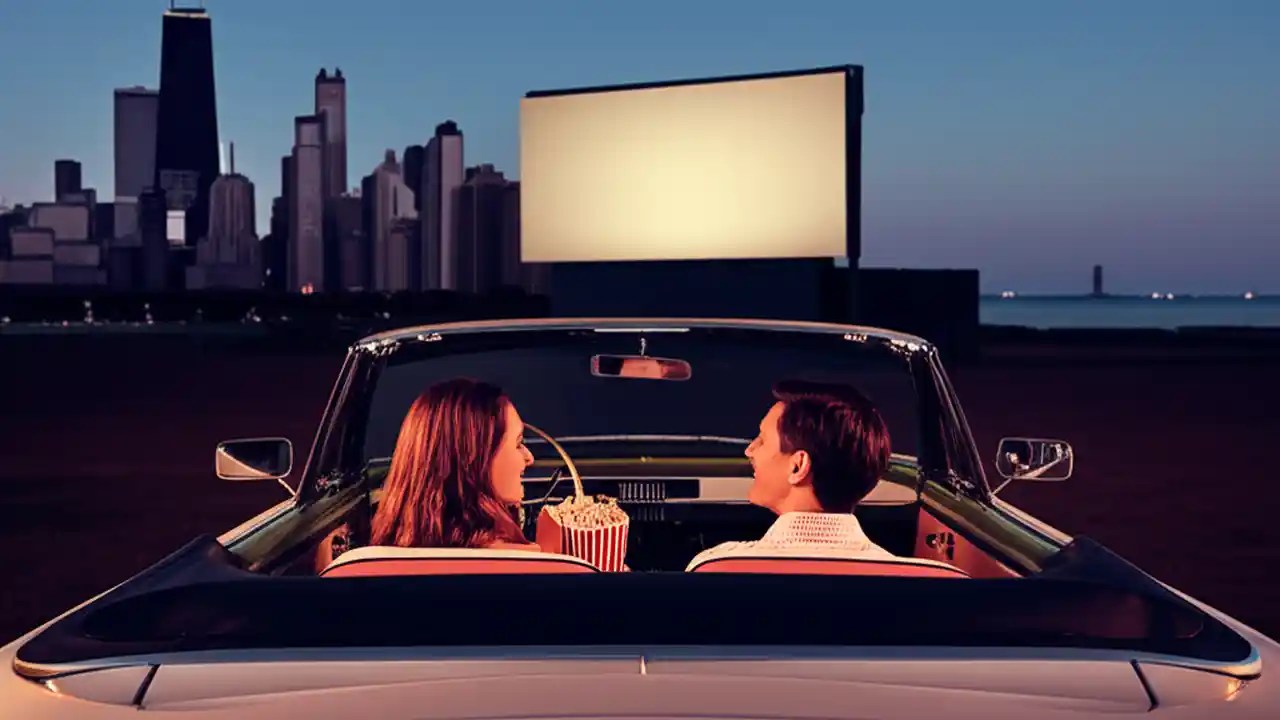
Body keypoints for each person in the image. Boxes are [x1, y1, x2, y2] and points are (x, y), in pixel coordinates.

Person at [687, 379, 893, 569]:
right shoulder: (908, 578)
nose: (749, 450)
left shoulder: (717, 567)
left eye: (762, 439)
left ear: (798, 467)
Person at [369, 377, 538, 550]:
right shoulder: (532, 564)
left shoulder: (373, 564)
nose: (529, 457)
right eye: (518, 444)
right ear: (478, 459)